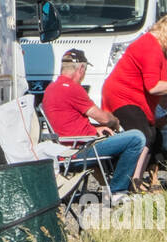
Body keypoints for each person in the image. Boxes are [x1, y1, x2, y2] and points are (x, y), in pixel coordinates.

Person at [39, 48, 146, 201]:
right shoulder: (72, 88)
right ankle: (118, 191)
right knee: (137, 137)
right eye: (85, 69)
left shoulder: (51, 89)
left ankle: (109, 191)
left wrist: (96, 129)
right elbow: (104, 118)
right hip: (78, 151)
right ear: (81, 68)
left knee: (119, 138)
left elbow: (69, 122)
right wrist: (115, 121)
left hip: (66, 147)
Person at [101, 12, 167, 168]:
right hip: (124, 97)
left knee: (153, 135)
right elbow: (153, 87)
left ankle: (137, 178)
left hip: (135, 98)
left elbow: (158, 83)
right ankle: (128, 179)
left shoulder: (158, 48)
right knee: (142, 136)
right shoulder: (150, 46)